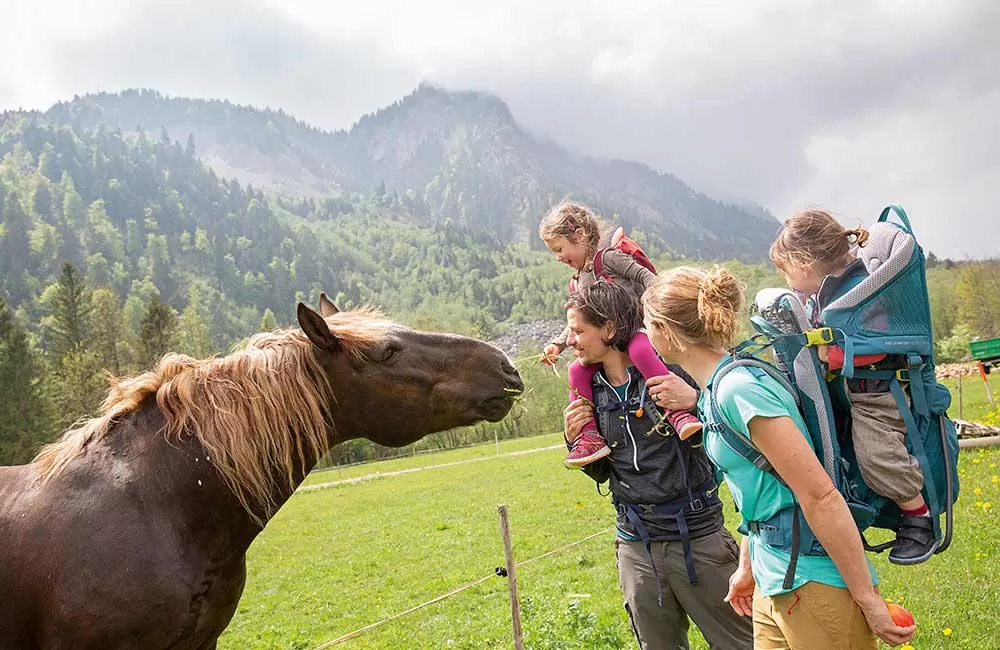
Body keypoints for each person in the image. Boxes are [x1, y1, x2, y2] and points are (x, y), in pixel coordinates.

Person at [641, 265, 917, 650]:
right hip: (773, 580)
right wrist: (747, 567)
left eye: (648, 325)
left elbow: (819, 495)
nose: (645, 336)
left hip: (813, 579)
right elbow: (765, 491)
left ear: (667, 331)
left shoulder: (741, 391)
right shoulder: (713, 391)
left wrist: (868, 599)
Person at [561, 281, 752, 650]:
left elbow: (724, 437)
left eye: (579, 330)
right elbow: (603, 471)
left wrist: (696, 403)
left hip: (699, 539)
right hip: (636, 545)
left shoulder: (668, 371)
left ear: (609, 329)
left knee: (742, 644)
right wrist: (575, 440)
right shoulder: (589, 390)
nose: (571, 340)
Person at [770, 209, 936, 564]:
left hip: (879, 395)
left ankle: (919, 516)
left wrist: (826, 351)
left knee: (877, 458)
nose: (786, 279)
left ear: (807, 261)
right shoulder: (824, 294)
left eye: (787, 270)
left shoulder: (862, 290)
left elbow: (879, 343)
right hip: (849, 392)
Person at [541, 200, 701, 469]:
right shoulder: (577, 281)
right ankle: (588, 435)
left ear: (579, 235)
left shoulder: (609, 259)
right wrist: (558, 345)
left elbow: (647, 277)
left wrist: (661, 307)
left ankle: (676, 412)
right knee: (576, 371)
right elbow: (576, 322)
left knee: (639, 350)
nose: (558, 256)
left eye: (559, 249)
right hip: (607, 340)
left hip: (634, 328)